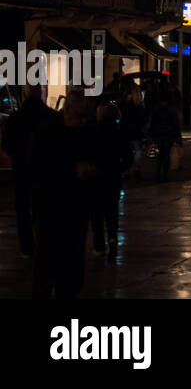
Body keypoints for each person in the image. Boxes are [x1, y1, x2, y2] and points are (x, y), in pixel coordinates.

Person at [30, 91, 98, 299]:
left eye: (87, 116)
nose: (83, 121)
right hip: (50, 208)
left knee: (72, 262)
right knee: (47, 261)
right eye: (80, 116)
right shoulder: (46, 133)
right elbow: (36, 168)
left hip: (76, 208)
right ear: (67, 109)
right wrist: (72, 170)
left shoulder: (87, 133)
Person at [2, 88, 55, 256]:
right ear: (41, 94)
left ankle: (27, 246)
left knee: (23, 208)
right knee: (46, 207)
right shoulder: (51, 117)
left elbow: (7, 144)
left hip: (22, 168)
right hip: (46, 170)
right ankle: (46, 241)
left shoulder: (16, 119)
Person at [89, 102, 130, 255]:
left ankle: (98, 244)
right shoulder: (119, 132)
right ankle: (112, 237)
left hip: (96, 177)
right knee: (111, 211)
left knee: (96, 213)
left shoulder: (93, 132)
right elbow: (128, 157)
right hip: (113, 175)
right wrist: (120, 169)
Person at [145, 85, 182, 183]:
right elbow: (175, 125)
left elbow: (152, 123)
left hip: (158, 134)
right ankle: (164, 175)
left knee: (159, 154)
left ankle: (157, 174)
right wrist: (178, 138)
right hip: (168, 134)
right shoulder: (172, 110)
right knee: (166, 155)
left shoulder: (156, 109)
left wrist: (151, 135)